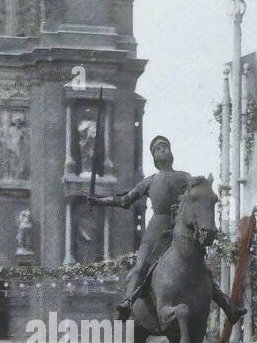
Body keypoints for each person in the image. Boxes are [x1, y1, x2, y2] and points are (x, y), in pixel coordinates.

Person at [90, 135, 245, 324]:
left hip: (181, 231)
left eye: (165, 147)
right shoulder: (150, 181)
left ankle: (228, 306)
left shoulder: (184, 177)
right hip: (155, 232)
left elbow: (197, 194)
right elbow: (124, 200)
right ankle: (127, 303)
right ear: (154, 158)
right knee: (141, 266)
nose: (162, 150)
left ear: (171, 153)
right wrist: (99, 201)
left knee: (201, 269)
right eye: (158, 149)